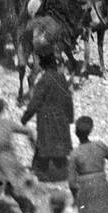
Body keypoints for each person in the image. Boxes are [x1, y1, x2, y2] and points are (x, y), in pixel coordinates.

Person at [21, 49, 75, 181]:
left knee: (45, 145)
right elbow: (68, 98)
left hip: (47, 120)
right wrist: (70, 117)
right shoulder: (61, 79)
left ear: (43, 65)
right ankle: (60, 172)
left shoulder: (44, 81)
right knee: (59, 147)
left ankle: (43, 173)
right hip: (61, 119)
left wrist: (25, 117)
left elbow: (35, 102)